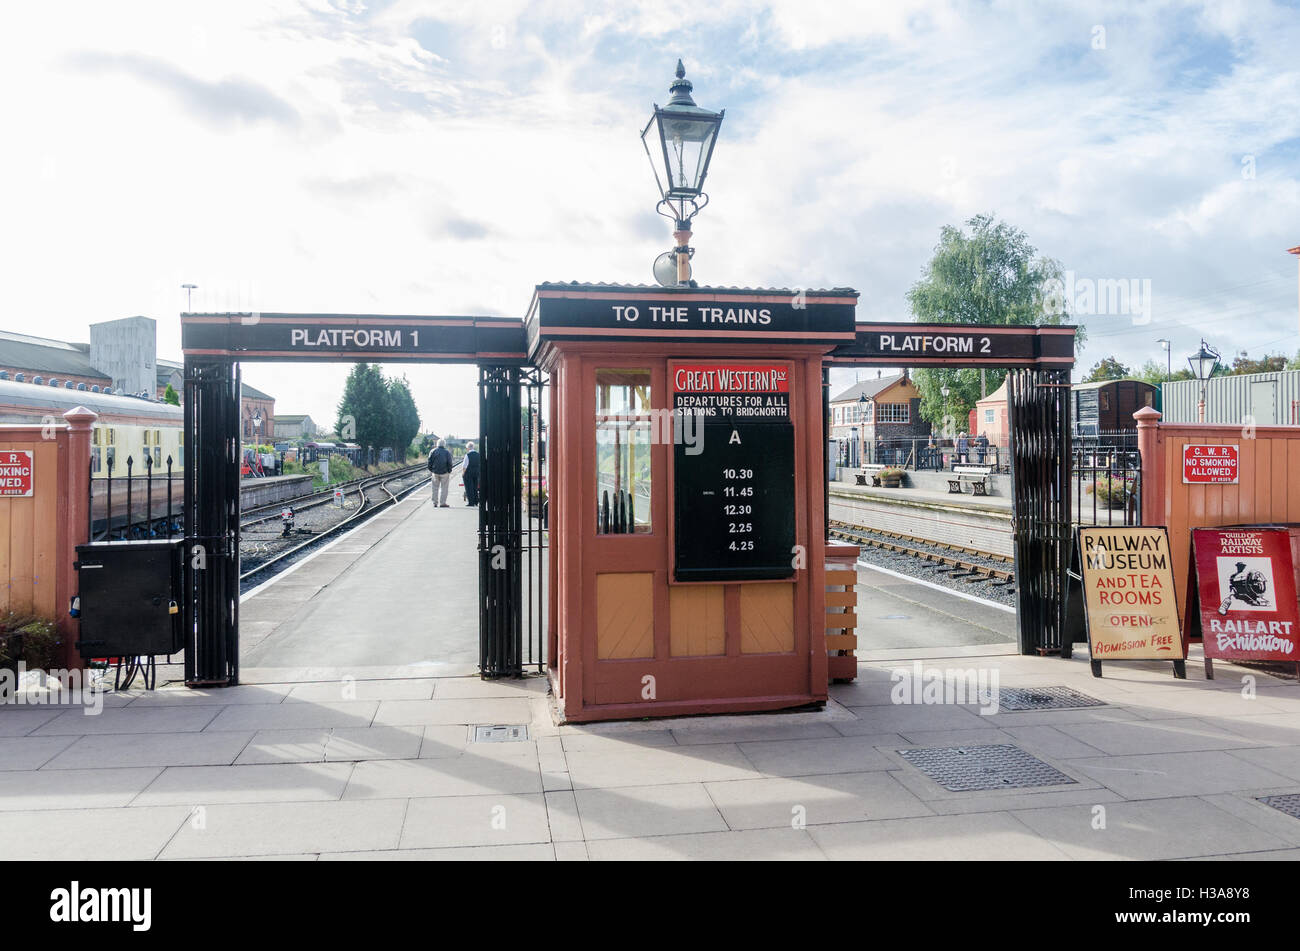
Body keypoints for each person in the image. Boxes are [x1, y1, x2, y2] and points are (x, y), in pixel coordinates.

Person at [427, 439, 453, 507]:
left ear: (437, 444)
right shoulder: (447, 452)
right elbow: (450, 463)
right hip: (445, 472)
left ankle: (435, 502)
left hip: (435, 472)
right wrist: (449, 471)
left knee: (434, 487)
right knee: (444, 488)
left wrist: (431, 470)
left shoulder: (432, 451)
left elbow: (429, 462)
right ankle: (442, 503)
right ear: (444, 444)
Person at [463, 441, 481, 506]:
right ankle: (476, 502)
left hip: (468, 473)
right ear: (473, 447)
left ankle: (471, 502)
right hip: (476, 473)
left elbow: (464, 466)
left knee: (469, 488)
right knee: (475, 487)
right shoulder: (478, 454)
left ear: (468, 448)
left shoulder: (467, 455)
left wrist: (463, 473)